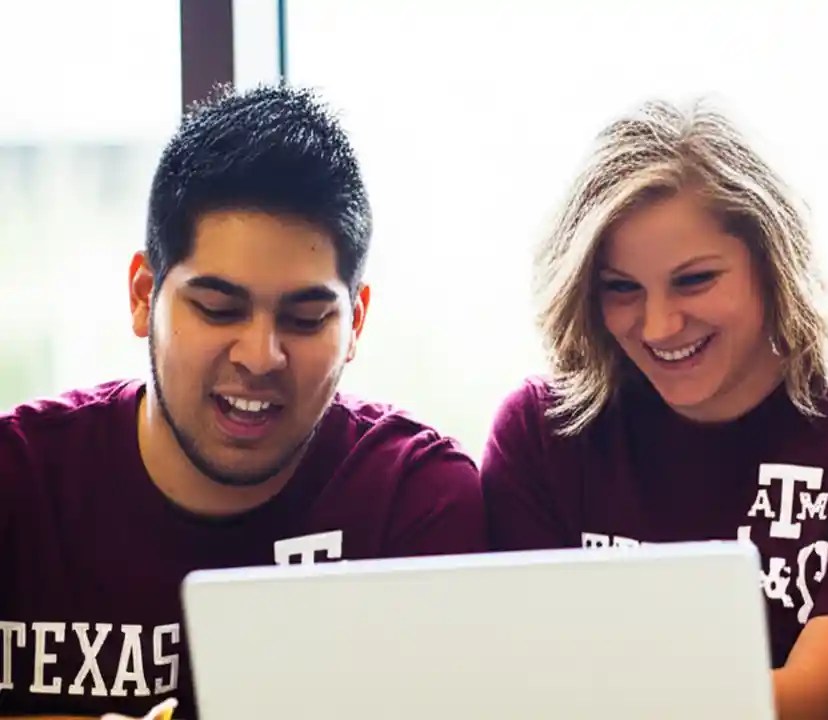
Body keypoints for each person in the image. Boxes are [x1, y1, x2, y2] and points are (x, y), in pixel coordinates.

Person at [0, 85, 486, 720]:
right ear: (145, 295)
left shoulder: (411, 502)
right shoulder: (20, 483)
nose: (260, 356)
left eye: (306, 318)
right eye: (218, 309)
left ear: (356, 324)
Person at [480, 99, 828, 720]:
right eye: (622, 288)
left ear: (772, 263)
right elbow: (519, 682)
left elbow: (819, 707)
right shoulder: (542, 432)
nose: (658, 325)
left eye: (694, 280)